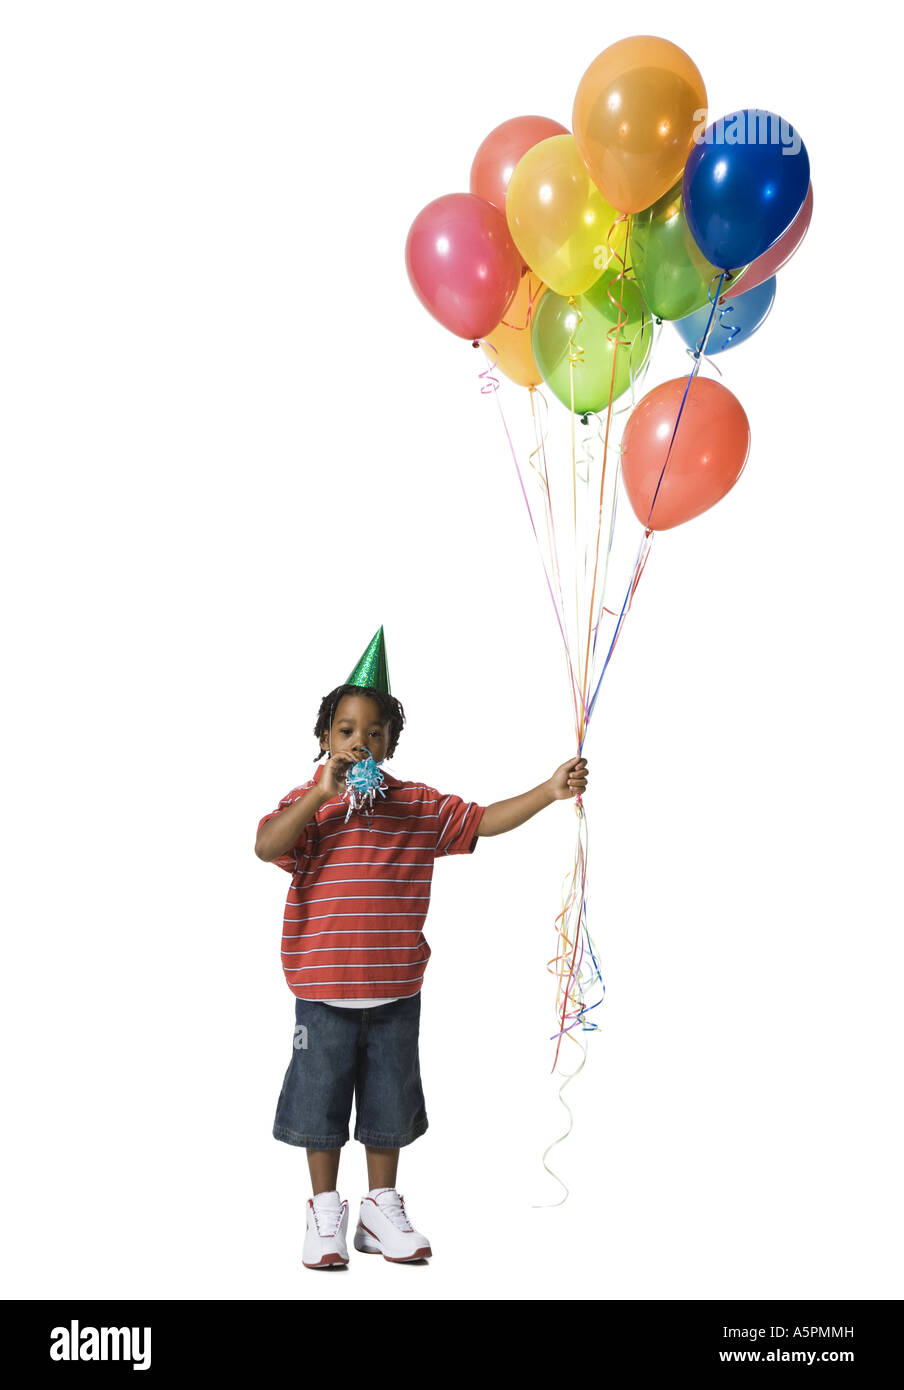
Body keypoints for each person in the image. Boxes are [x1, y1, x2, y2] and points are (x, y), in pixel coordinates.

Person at [255, 626, 588, 1269]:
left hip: (395, 990)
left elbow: (483, 820)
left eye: (373, 732)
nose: (359, 743)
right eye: (346, 731)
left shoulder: (416, 806)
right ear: (325, 740)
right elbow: (267, 846)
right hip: (322, 990)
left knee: (389, 1099)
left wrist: (549, 792)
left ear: (391, 743)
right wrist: (321, 794)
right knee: (318, 1097)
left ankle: (380, 1206)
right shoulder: (309, 805)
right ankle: (325, 1210)